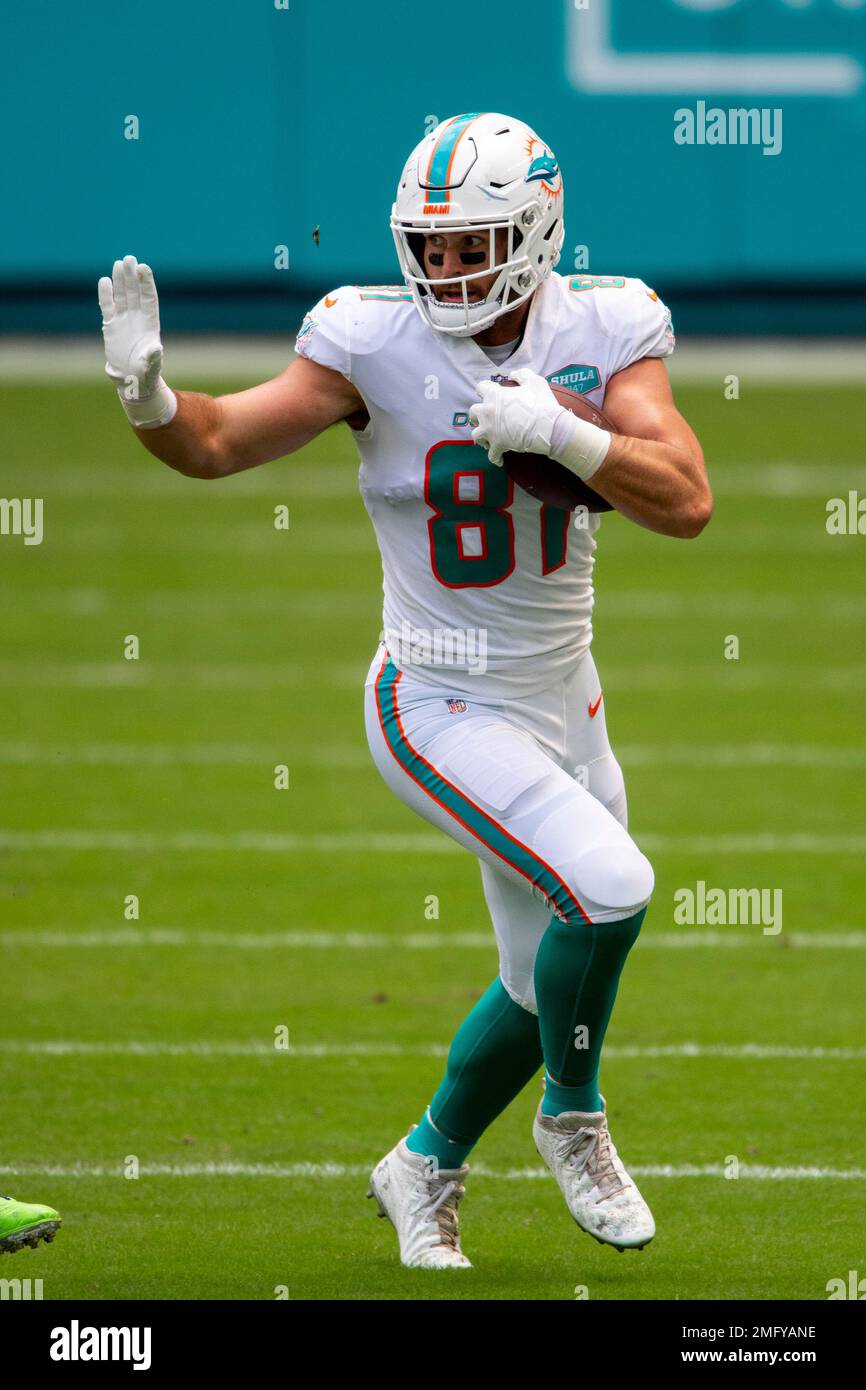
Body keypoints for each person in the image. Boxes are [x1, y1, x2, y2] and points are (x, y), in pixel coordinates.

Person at [97, 111, 711, 1272]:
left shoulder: (608, 325)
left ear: (536, 235)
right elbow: (217, 444)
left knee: (537, 980)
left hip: (563, 695)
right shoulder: (367, 341)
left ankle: (423, 1164)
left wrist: (561, 434)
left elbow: (684, 499)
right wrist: (150, 401)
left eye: (472, 245)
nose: (446, 270)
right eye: (429, 248)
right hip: (435, 701)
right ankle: (572, 1118)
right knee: (610, 888)